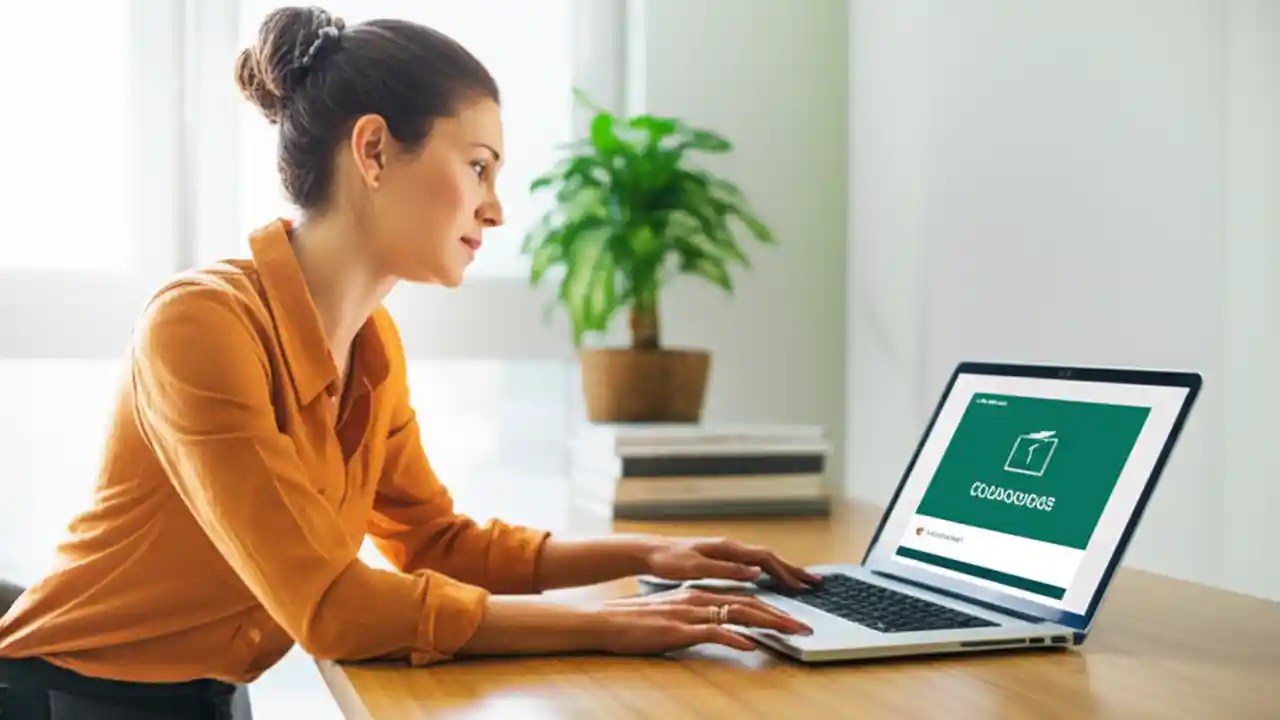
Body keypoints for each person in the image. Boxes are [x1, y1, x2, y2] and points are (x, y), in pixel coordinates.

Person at [0, 7, 817, 718]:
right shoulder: (201, 327)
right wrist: (615, 622)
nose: (495, 208)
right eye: (478, 167)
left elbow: (433, 540)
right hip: (62, 696)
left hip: (202, 695)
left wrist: (643, 557)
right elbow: (330, 605)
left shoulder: (373, 345)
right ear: (374, 150)